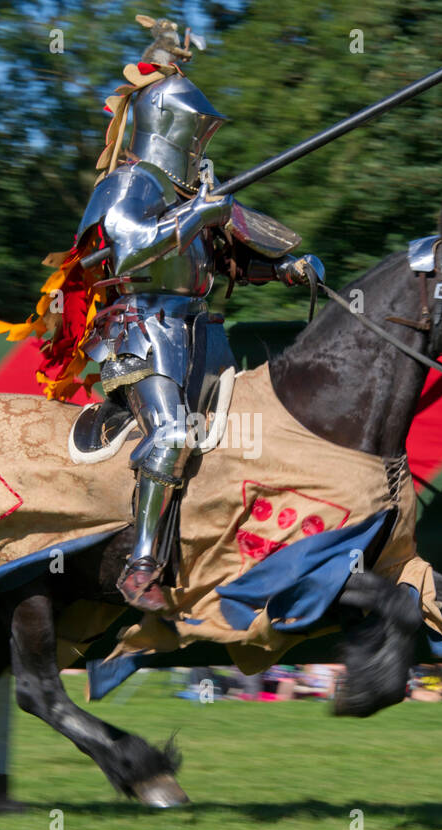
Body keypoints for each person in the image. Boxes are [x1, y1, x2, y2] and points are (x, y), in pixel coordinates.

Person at [73, 67, 323, 610]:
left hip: (203, 335)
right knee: (170, 436)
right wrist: (199, 212)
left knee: (255, 436)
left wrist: (284, 270)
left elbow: (216, 264)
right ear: (166, 127)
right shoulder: (129, 184)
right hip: (142, 332)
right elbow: (127, 253)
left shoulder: (185, 195)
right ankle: (140, 566)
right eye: (196, 132)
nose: (201, 145)